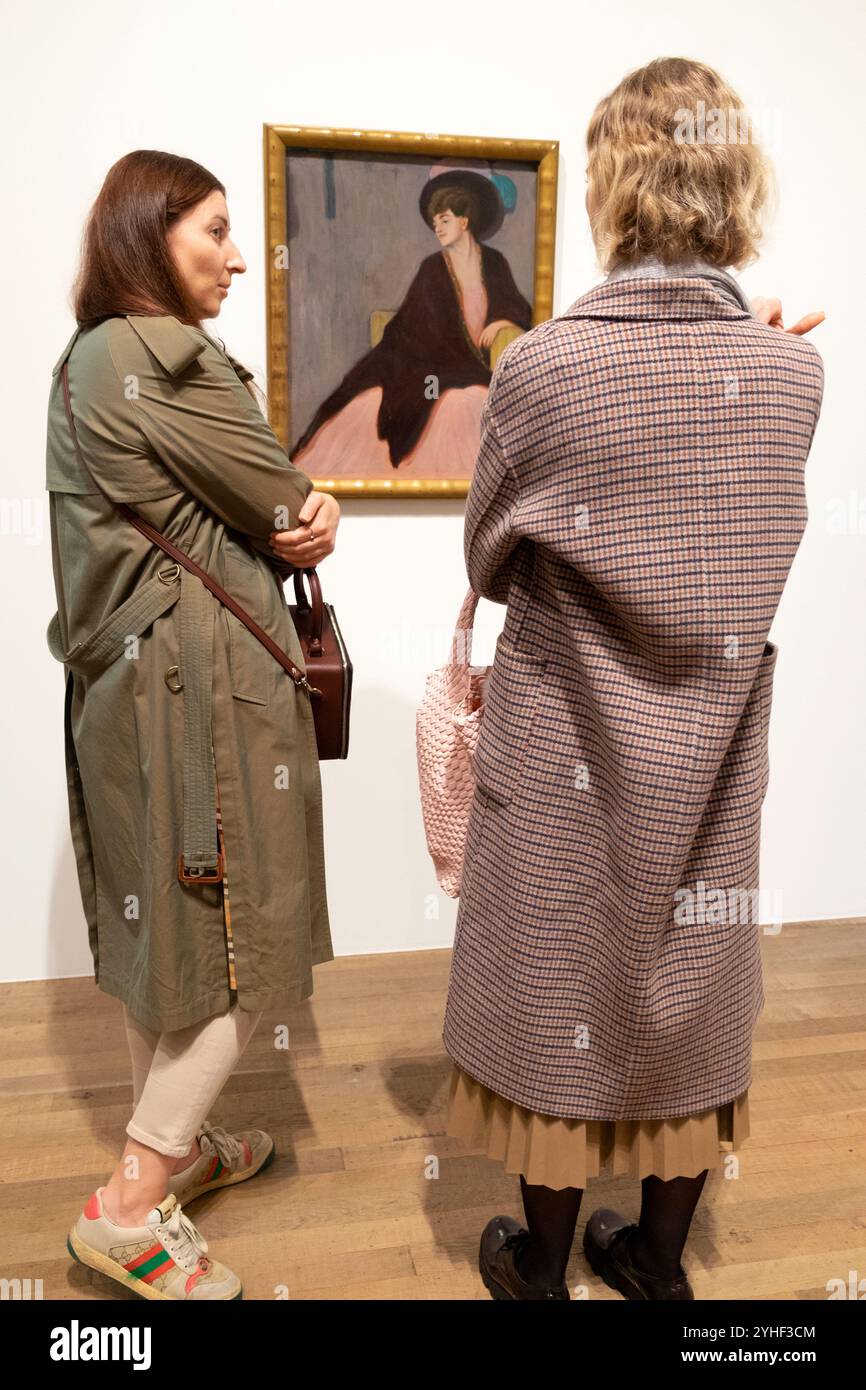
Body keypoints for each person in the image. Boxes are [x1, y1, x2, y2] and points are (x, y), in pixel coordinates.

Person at [441, 56, 826, 1301]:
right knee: (688, 991)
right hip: (712, 744)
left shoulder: (543, 367)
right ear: (732, 178)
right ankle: (657, 1265)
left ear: (614, 182)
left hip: (564, 739)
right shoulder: (790, 373)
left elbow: (489, 558)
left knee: (559, 978)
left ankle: (539, 1272)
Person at [49, 149, 340, 1300]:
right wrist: (302, 514)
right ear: (144, 235)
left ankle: (166, 1151)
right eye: (210, 232)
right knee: (245, 955)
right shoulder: (159, 357)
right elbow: (277, 499)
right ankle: (129, 1209)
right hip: (200, 697)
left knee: (170, 940)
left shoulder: (90, 358)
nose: (232, 257)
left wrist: (291, 516)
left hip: (137, 695)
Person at [289, 168, 532, 478]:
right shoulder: (432, 268)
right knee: (450, 403)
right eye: (435, 223)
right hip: (424, 365)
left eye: (444, 220)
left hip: (474, 368)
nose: (438, 229)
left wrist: (502, 322)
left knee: (469, 404)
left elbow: (516, 308)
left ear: (464, 221)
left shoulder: (495, 263)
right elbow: (417, 328)